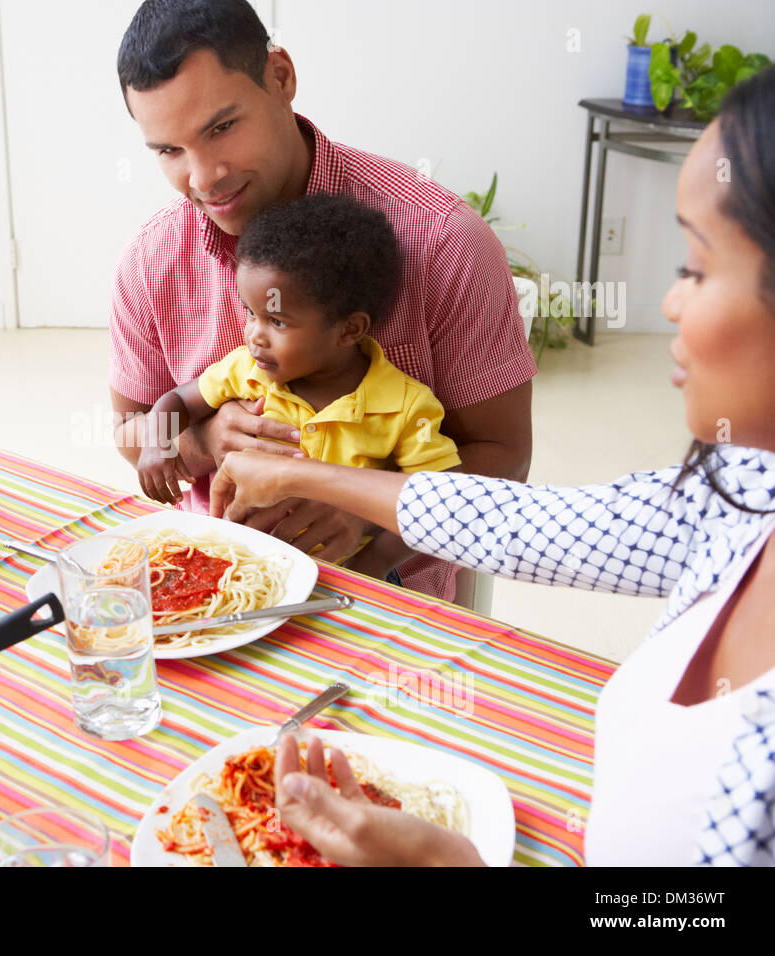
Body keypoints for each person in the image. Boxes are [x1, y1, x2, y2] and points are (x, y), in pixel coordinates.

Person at [210, 66, 775, 866]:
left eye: (696, 266)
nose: (670, 305)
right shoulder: (745, 491)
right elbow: (523, 524)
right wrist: (297, 474)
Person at [109, 0, 534, 602]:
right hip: (220, 592)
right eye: (168, 151)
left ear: (280, 77)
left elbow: (505, 456)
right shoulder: (151, 260)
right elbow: (131, 428)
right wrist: (200, 444)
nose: (204, 178)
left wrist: (371, 514)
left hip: (395, 607)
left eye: (222, 127)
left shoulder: (442, 243)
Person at [135, 194, 460, 579]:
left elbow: (434, 503)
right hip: (243, 561)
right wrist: (158, 444)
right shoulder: (247, 369)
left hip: (345, 572)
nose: (255, 335)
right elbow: (176, 401)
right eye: (250, 313)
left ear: (349, 330)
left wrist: (369, 565)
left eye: (278, 321)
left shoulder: (405, 406)